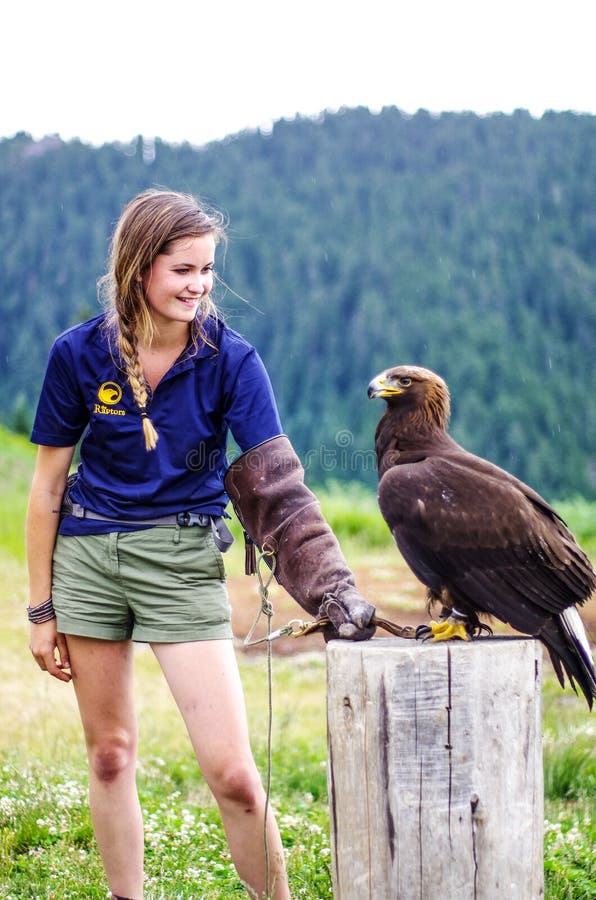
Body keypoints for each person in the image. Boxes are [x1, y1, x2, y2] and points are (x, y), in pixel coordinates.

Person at [26, 188, 375, 899]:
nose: (200, 285)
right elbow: (47, 489)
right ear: (138, 267)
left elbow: (278, 482)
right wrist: (40, 609)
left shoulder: (231, 361)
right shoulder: (78, 355)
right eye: (183, 269)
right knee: (110, 755)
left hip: (183, 563)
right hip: (88, 561)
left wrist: (331, 581)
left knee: (236, 776)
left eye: (208, 270)